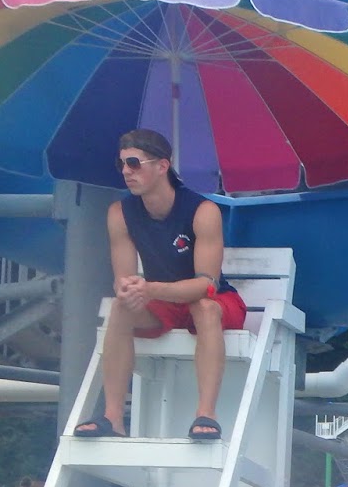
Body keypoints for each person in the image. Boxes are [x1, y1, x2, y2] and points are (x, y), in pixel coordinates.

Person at [73, 128, 245, 442]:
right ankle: (113, 418)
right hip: (164, 302)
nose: (126, 172)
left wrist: (150, 289)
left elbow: (207, 284)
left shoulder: (203, 211)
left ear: (162, 166)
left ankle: (206, 413)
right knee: (121, 307)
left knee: (205, 308)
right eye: (122, 164)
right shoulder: (119, 213)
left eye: (135, 163)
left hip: (214, 302)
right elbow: (123, 279)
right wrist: (129, 290)